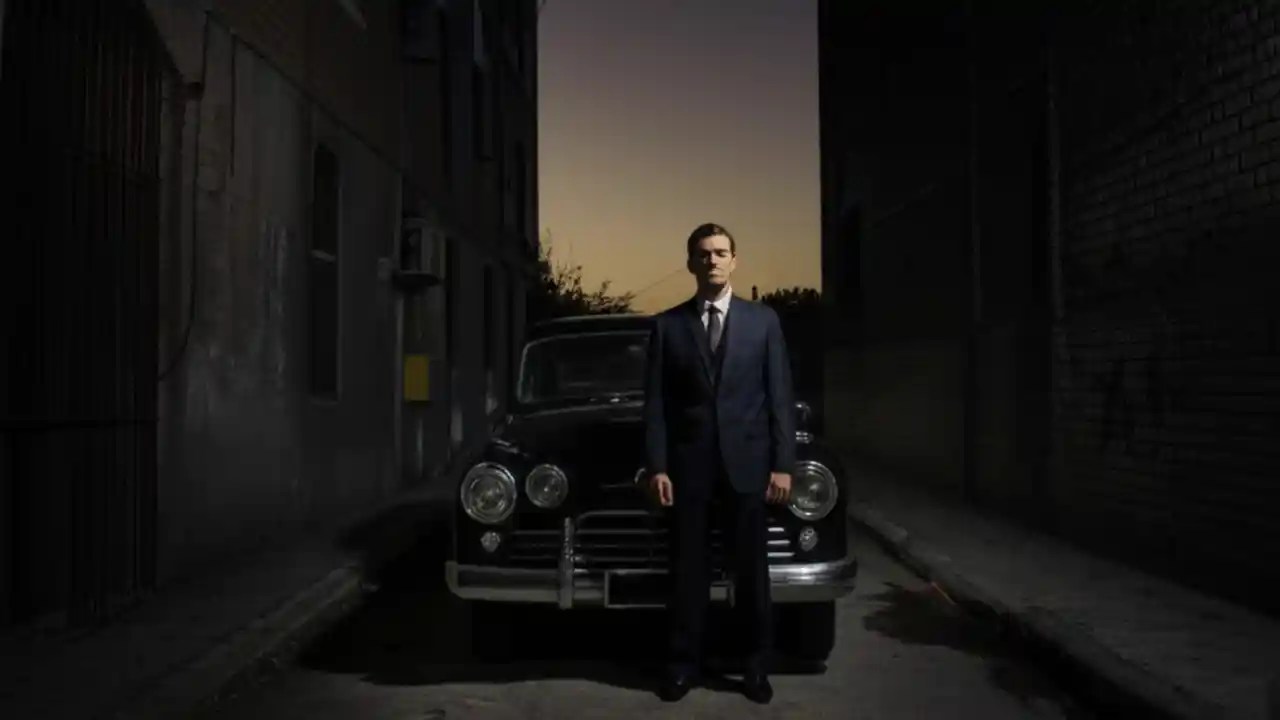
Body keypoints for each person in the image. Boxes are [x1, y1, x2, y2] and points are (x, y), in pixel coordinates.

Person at [642, 222, 796, 704]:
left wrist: (783, 464)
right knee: (686, 574)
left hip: (749, 468)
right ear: (690, 262)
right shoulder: (666, 326)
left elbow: (780, 398)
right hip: (688, 471)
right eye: (704, 253)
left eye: (721, 252)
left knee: (751, 575)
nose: (713, 260)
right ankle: (683, 665)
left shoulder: (764, 321)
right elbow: (656, 406)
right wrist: (658, 466)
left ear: (735, 261)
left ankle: (754, 667)